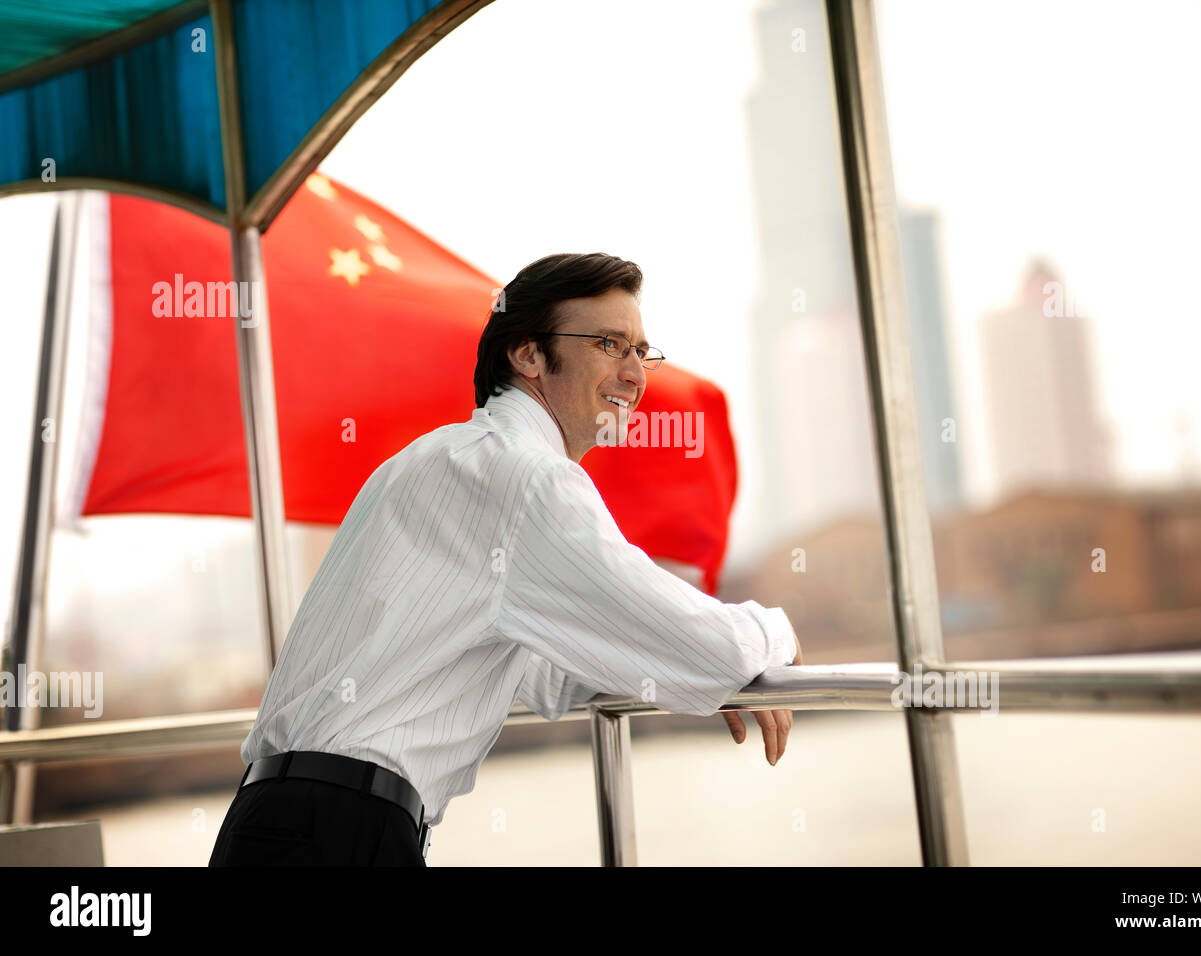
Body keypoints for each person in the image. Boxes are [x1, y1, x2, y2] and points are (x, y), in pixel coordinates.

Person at [208, 252, 803, 867]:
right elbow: (714, 650)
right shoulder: (528, 479)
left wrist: (668, 658)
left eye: (640, 351)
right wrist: (773, 634)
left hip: (278, 820)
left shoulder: (437, 457)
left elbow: (546, 675)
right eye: (609, 344)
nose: (635, 374)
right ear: (528, 355)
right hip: (341, 831)